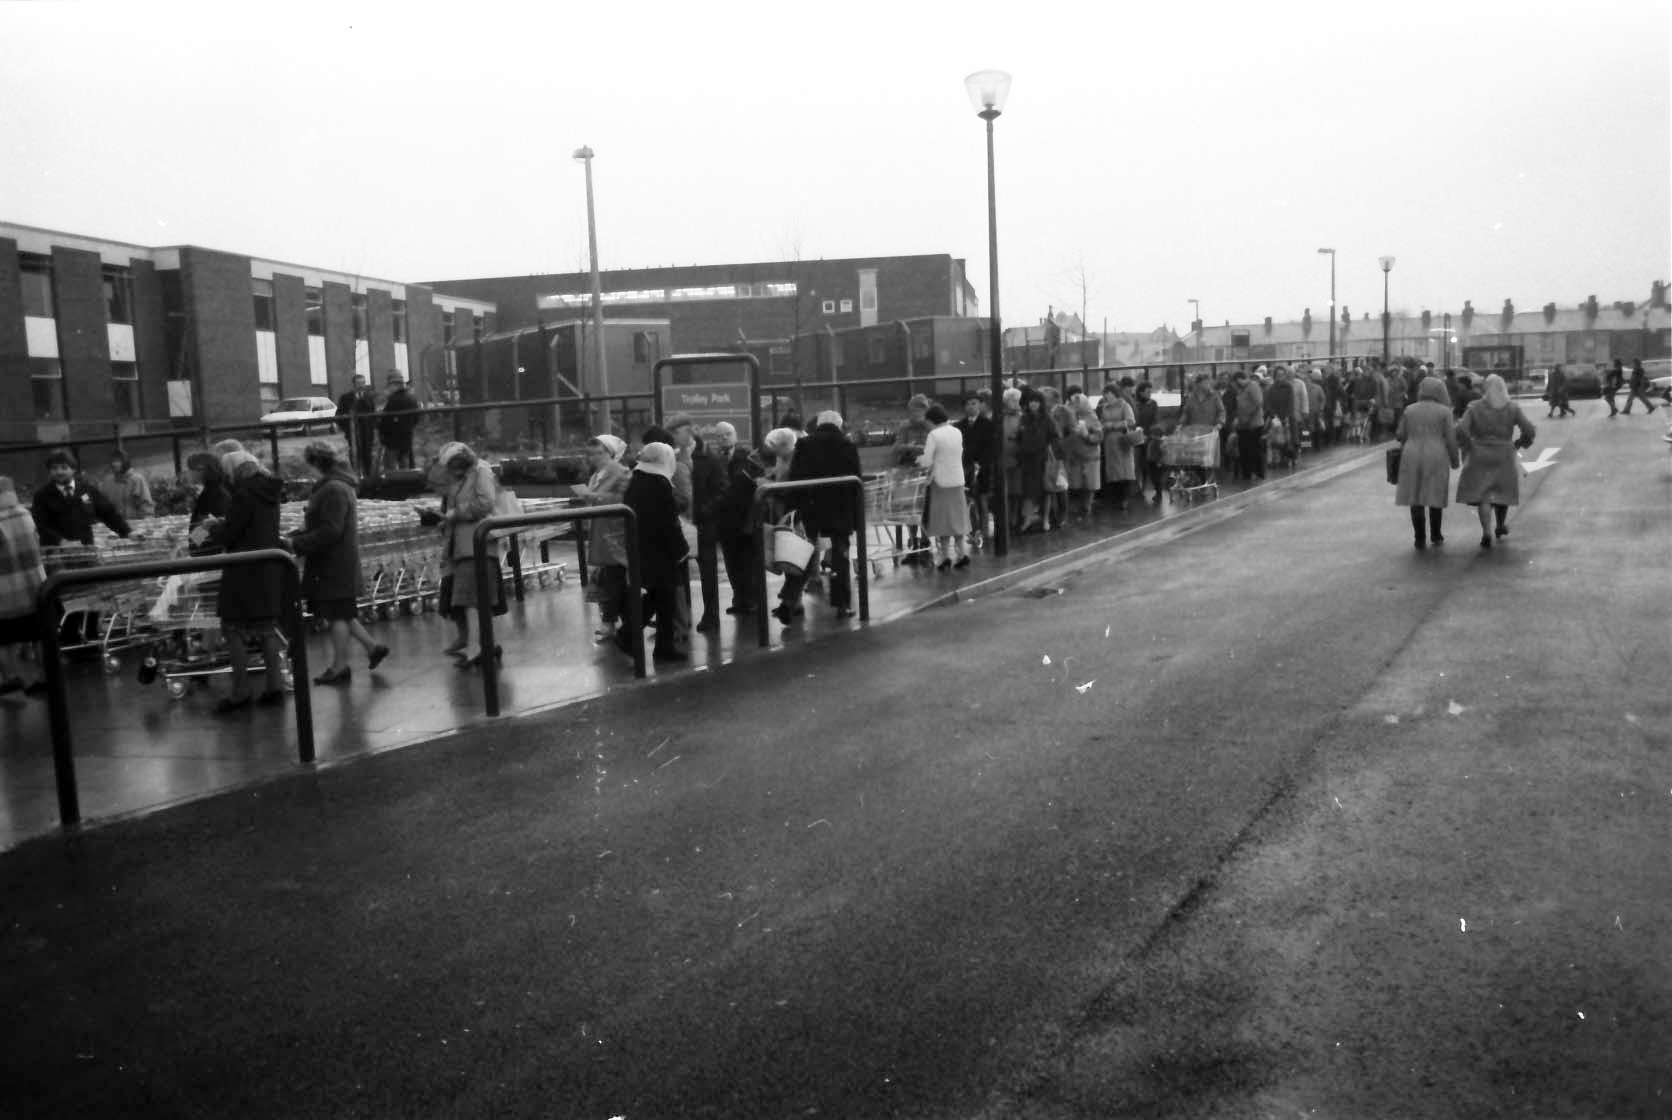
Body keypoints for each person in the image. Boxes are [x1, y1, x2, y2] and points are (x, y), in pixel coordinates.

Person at [287, 444, 389, 685]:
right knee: (342, 612)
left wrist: (297, 542)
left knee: (336, 616)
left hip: (333, 562)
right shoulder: (339, 486)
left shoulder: (333, 488)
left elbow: (332, 529)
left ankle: (339, 666)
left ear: (315, 464)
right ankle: (372, 647)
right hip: (337, 560)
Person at [210, 451, 291, 711]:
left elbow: (230, 534)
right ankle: (275, 686)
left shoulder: (243, 495)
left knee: (232, 628)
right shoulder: (269, 493)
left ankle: (241, 691)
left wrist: (214, 527)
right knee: (266, 628)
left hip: (243, 569)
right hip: (268, 567)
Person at [778, 412, 862, 622]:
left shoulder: (804, 445)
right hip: (839, 509)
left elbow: (795, 478)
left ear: (819, 424)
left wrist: (792, 509)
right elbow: (856, 483)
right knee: (840, 555)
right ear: (839, 425)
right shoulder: (847, 446)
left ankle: (789, 600)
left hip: (810, 507)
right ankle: (842, 605)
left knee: (803, 554)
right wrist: (855, 516)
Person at [430, 441, 501, 665]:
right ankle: (484, 645)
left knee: (472, 599)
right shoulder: (460, 478)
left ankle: (478, 648)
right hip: (460, 544)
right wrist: (444, 519)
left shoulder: (480, 472)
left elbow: (486, 502)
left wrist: (456, 513)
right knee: (467, 599)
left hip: (477, 543)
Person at [622, 442, 689, 663]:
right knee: (665, 597)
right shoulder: (660, 482)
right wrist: (681, 549)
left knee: (656, 596)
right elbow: (670, 521)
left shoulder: (637, 478)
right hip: (662, 550)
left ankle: (631, 636)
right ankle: (658, 645)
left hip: (642, 546)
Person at [1456, 373, 1537, 549]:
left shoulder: (1474, 407)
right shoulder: (1512, 408)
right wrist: (1520, 443)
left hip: (1479, 453)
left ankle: (1486, 532)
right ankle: (1500, 525)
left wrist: (1467, 445)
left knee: (1483, 495)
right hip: (1504, 453)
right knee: (1501, 492)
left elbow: (1461, 429)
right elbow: (1529, 429)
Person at [666, 414, 728, 633]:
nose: (677, 437)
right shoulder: (671, 457)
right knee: (679, 570)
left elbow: (722, 489)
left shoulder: (708, 457)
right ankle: (683, 617)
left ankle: (711, 615)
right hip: (680, 522)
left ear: (690, 431)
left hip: (704, 523)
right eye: (674, 433)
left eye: (680, 431)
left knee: (708, 571)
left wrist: (707, 510)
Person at [574, 435, 631, 643]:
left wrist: (595, 497)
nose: (595, 457)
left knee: (614, 577)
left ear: (610, 453)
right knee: (608, 578)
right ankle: (614, 621)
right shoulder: (597, 475)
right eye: (591, 454)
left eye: (599, 453)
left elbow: (625, 499)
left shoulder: (620, 472)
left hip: (614, 534)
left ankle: (614, 621)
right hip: (602, 530)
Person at [1394, 377, 1461, 550]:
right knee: (1434, 494)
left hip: (1411, 454)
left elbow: (1400, 434)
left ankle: (1419, 537)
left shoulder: (1409, 410)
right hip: (1436, 454)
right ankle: (1436, 534)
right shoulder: (1444, 412)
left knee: (1415, 496)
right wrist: (1455, 460)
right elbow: (1451, 439)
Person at [0, 476, 47, 698]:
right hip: (36, 586)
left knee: (5, 640)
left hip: (6, 592)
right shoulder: (25, 513)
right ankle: (44, 677)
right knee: (39, 634)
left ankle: (13, 680)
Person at [32, 447, 131, 547]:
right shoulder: (41, 496)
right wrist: (61, 542)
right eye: (54, 468)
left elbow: (108, 513)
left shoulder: (87, 490)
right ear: (49, 471)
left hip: (86, 550)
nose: (59, 472)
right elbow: (40, 526)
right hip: (56, 552)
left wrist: (127, 532)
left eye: (64, 468)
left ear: (73, 469)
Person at [918, 405, 970, 571]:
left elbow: (927, 460)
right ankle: (962, 553)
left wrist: (919, 460)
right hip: (957, 480)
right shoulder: (957, 432)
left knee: (943, 522)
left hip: (940, 482)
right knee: (958, 520)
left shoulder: (934, 435)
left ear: (931, 420)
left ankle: (945, 557)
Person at [955, 392, 995, 547]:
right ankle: (973, 532)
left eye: (974, 403)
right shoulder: (959, 426)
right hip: (965, 468)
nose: (971, 407)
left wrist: (982, 463)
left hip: (983, 468)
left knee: (982, 501)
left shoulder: (988, 424)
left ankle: (984, 532)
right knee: (969, 502)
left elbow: (990, 447)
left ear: (980, 405)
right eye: (968, 404)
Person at [1061, 393, 1104, 517]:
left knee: (1090, 483)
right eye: (1073, 402)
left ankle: (1087, 505)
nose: (1075, 405)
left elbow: (1099, 436)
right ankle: (1078, 505)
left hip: (1090, 455)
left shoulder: (1092, 417)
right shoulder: (1069, 416)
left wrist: (1087, 435)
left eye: (1077, 402)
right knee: (1076, 482)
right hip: (1075, 455)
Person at [336, 374, 379, 477]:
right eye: (359, 383)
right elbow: (339, 416)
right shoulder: (345, 398)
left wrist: (372, 427)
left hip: (367, 433)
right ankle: (356, 475)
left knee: (367, 455)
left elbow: (373, 414)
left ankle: (368, 476)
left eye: (363, 383)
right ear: (354, 384)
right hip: (353, 434)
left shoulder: (369, 397)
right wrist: (347, 429)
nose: (361, 386)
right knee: (355, 455)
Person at [378, 372, 420, 471]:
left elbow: (386, 420)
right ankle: (406, 479)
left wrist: (381, 430)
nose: (389, 388)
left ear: (395, 385)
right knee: (404, 463)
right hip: (407, 436)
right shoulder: (412, 398)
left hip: (392, 439)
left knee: (390, 465)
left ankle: (393, 480)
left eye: (390, 386)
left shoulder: (393, 399)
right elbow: (416, 418)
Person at [98, 450, 154, 523]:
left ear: (126, 462)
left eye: (118, 461)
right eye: (113, 461)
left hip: (134, 523)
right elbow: (101, 504)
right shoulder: (107, 481)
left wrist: (147, 520)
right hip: (114, 524)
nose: (114, 464)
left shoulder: (137, 479)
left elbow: (146, 504)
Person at [1232, 370, 1266, 482]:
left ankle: (1258, 472)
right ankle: (1247, 473)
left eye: (1235, 383)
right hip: (1243, 426)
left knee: (1255, 449)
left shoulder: (1253, 386)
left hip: (1254, 424)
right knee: (1244, 450)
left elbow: (1258, 403)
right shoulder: (1240, 390)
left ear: (1239, 380)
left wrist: (1248, 417)